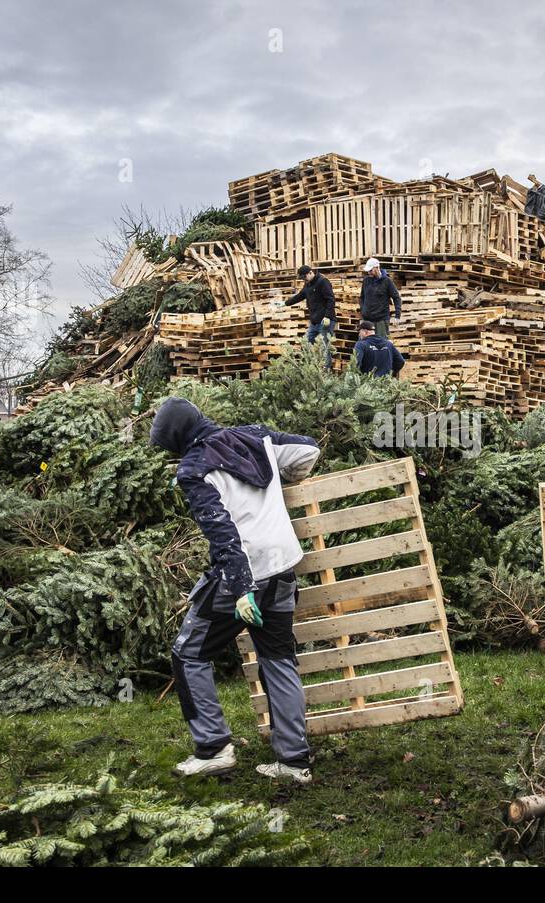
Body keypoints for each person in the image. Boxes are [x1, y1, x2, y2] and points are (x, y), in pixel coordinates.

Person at [150, 397, 321, 783]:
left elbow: (223, 533)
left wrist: (243, 590)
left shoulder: (194, 470)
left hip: (241, 576)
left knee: (189, 654)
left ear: (177, 438)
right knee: (277, 659)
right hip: (282, 566)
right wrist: (283, 477)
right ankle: (294, 762)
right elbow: (308, 448)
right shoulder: (254, 438)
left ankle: (213, 748)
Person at [284, 265, 336, 368]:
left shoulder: (323, 281)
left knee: (324, 346)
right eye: (302, 278)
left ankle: (326, 371)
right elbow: (300, 296)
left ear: (310, 273)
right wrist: (285, 303)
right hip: (314, 321)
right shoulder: (307, 284)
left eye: (304, 277)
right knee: (306, 342)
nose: (304, 280)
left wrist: (327, 316)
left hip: (324, 321)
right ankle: (309, 368)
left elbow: (331, 299)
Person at [359, 257, 402, 339]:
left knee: (382, 345)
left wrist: (397, 316)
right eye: (368, 271)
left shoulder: (387, 281)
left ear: (377, 268)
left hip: (381, 320)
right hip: (367, 320)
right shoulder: (366, 281)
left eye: (371, 270)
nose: (369, 272)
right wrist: (363, 311)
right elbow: (362, 298)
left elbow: (396, 298)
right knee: (364, 344)